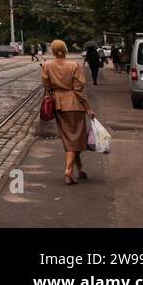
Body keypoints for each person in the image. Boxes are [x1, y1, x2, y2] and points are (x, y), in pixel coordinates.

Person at [41, 39, 95, 185]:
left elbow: (46, 85)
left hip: (58, 105)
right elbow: (79, 90)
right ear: (65, 50)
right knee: (75, 137)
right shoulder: (74, 65)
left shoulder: (46, 66)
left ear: (52, 51)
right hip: (74, 104)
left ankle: (81, 169)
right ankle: (68, 170)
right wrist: (88, 108)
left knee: (70, 138)